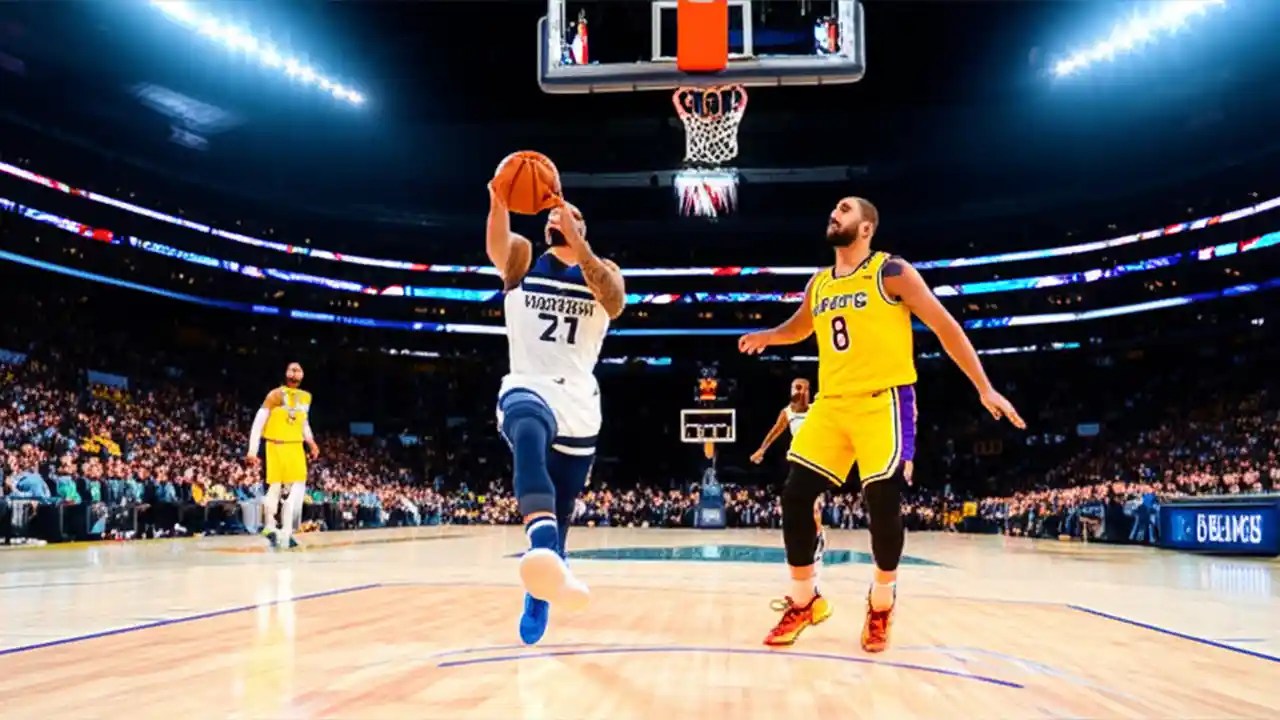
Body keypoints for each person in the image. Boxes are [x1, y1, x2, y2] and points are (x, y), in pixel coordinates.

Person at [738, 197, 1025, 652]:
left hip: (883, 402)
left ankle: (882, 602)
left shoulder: (891, 272)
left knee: (882, 503)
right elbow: (800, 327)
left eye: (845, 209)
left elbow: (946, 326)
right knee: (795, 497)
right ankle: (804, 601)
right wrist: (769, 336)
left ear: (867, 227)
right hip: (831, 404)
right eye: (833, 208)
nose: (834, 213)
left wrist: (984, 387)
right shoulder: (821, 283)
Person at [486, 175, 625, 645]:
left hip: (580, 400)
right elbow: (496, 244)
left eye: (570, 216)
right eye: (552, 214)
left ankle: (540, 590)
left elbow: (616, 302)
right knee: (525, 428)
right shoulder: (523, 258)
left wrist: (581, 246)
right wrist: (499, 201)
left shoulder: (602, 269)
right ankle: (542, 546)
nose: (557, 217)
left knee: (564, 508)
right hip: (528, 383)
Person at [749, 378, 827, 569]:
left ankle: (818, 538)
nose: (801, 392)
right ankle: (805, 541)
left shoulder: (816, 409)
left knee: (815, 506)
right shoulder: (787, 412)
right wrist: (762, 449)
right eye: (797, 388)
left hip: (817, 460)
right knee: (797, 504)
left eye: (805, 389)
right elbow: (774, 432)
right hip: (797, 460)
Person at [246, 362, 319, 550]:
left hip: (296, 447)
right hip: (275, 445)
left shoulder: (305, 397)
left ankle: (288, 531)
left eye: (299, 369)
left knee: (295, 491)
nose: (295, 372)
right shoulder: (275, 394)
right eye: (292, 369)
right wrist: (252, 450)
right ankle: (270, 527)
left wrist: (310, 442)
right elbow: (258, 422)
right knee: (274, 489)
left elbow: (304, 423)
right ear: (284, 373)